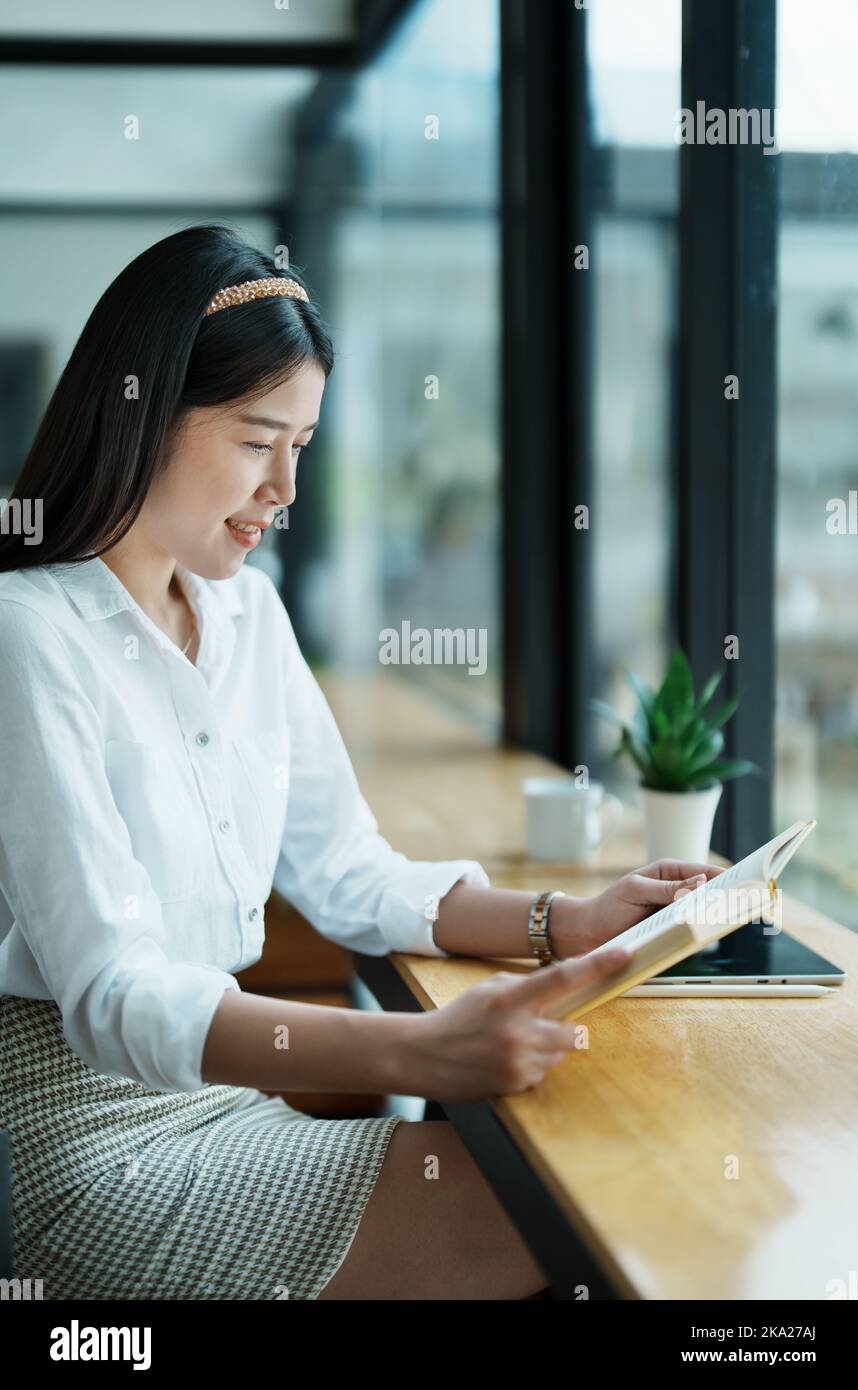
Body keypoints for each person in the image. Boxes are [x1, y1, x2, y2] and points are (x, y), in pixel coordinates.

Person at [0, 224, 719, 1300]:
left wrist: (560, 919)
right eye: (256, 440)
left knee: (581, 1173)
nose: (285, 486)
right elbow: (113, 995)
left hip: (223, 1097)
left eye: (302, 445)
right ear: (143, 410)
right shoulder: (28, 631)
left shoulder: (246, 613)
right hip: (99, 1142)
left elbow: (345, 868)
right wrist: (415, 1054)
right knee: (573, 1219)